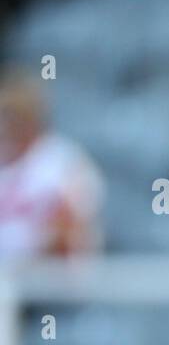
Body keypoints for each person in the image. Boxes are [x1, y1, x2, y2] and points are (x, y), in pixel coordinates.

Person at [0, 68, 103, 260]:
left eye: (16, 115)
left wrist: (28, 248)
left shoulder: (63, 162)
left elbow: (73, 232)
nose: (9, 125)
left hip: (48, 280)